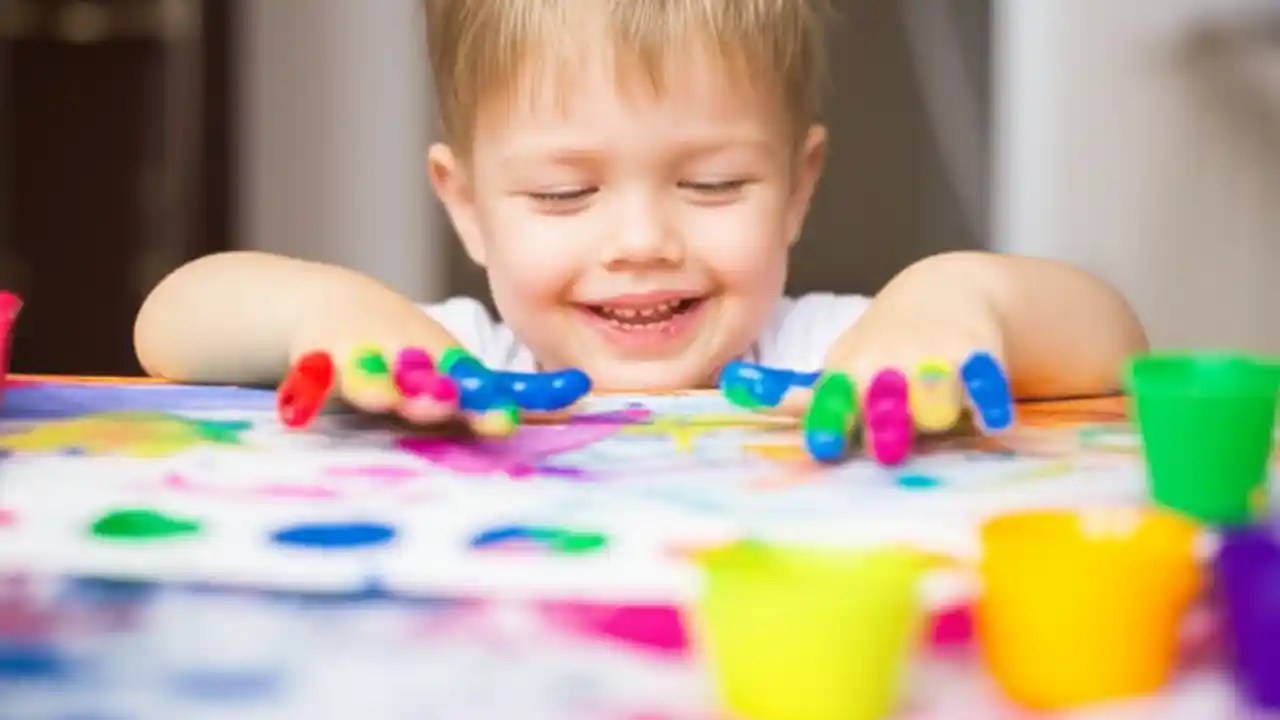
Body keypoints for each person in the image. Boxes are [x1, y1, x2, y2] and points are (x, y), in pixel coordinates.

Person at [134, 0, 1146, 429]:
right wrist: (326, 312)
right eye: (563, 194)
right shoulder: (451, 364)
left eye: (712, 184)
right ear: (467, 208)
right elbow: (168, 324)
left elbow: (1113, 343)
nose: (641, 243)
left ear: (798, 187)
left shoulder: (845, 357)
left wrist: (954, 297)